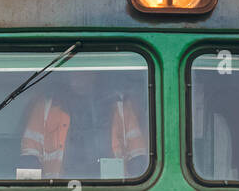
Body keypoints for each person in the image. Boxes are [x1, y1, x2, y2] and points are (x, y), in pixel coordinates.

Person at [17, 71, 147, 179]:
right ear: (65, 75)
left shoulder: (120, 105)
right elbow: (30, 156)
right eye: (74, 72)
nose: (79, 75)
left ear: (96, 74)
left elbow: (137, 156)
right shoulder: (46, 106)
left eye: (85, 72)